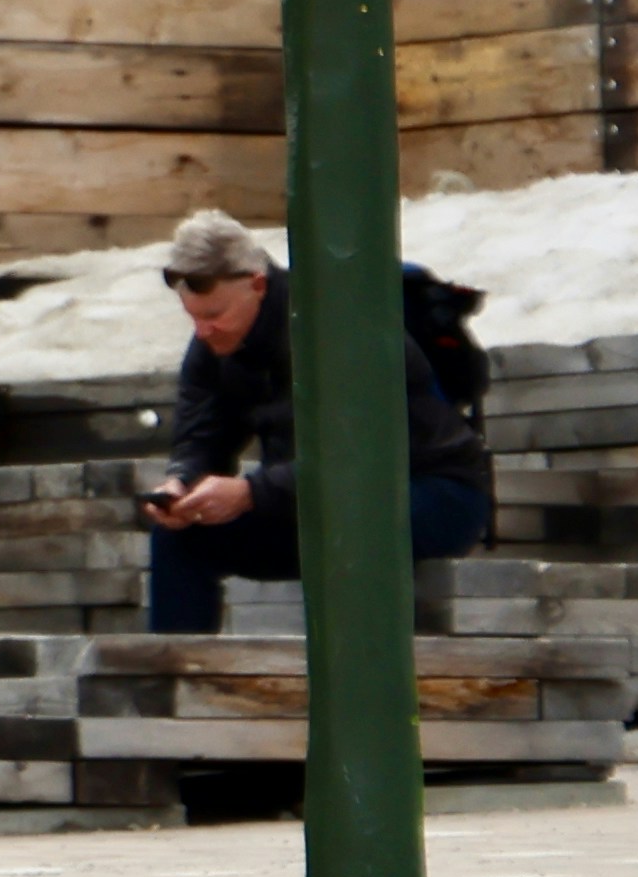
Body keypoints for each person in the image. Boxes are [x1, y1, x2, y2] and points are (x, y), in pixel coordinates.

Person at [133, 206, 490, 637]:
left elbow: (358, 462)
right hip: (310, 500)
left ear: (258, 284)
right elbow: (200, 436)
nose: (204, 331)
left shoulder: (338, 324)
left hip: (432, 492)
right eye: (193, 317)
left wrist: (250, 492)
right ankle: (173, 686)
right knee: (180, 539)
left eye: (214, 316)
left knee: (347, 515)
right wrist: (180, 484)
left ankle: (361, 688)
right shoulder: (213, 344)